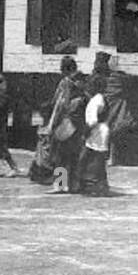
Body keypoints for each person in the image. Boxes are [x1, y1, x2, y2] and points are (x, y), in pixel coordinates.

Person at [47, 56, 86, 193]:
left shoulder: (66, 83)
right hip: (78, 124)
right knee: (74, 155)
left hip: (65, 122)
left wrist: (51, 124)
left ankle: (60, 185)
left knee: (60, 155)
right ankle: (74, 185)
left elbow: (59, 104)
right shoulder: (82, 83)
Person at [79, 74, 111, 196]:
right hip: (101, 130)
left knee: (93, 159)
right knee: (98, 158)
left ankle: (94, 186)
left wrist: (85, 133)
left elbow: (92, 121)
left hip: (96, 132)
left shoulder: (95, 100)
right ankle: (101, 186)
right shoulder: (101, 98)